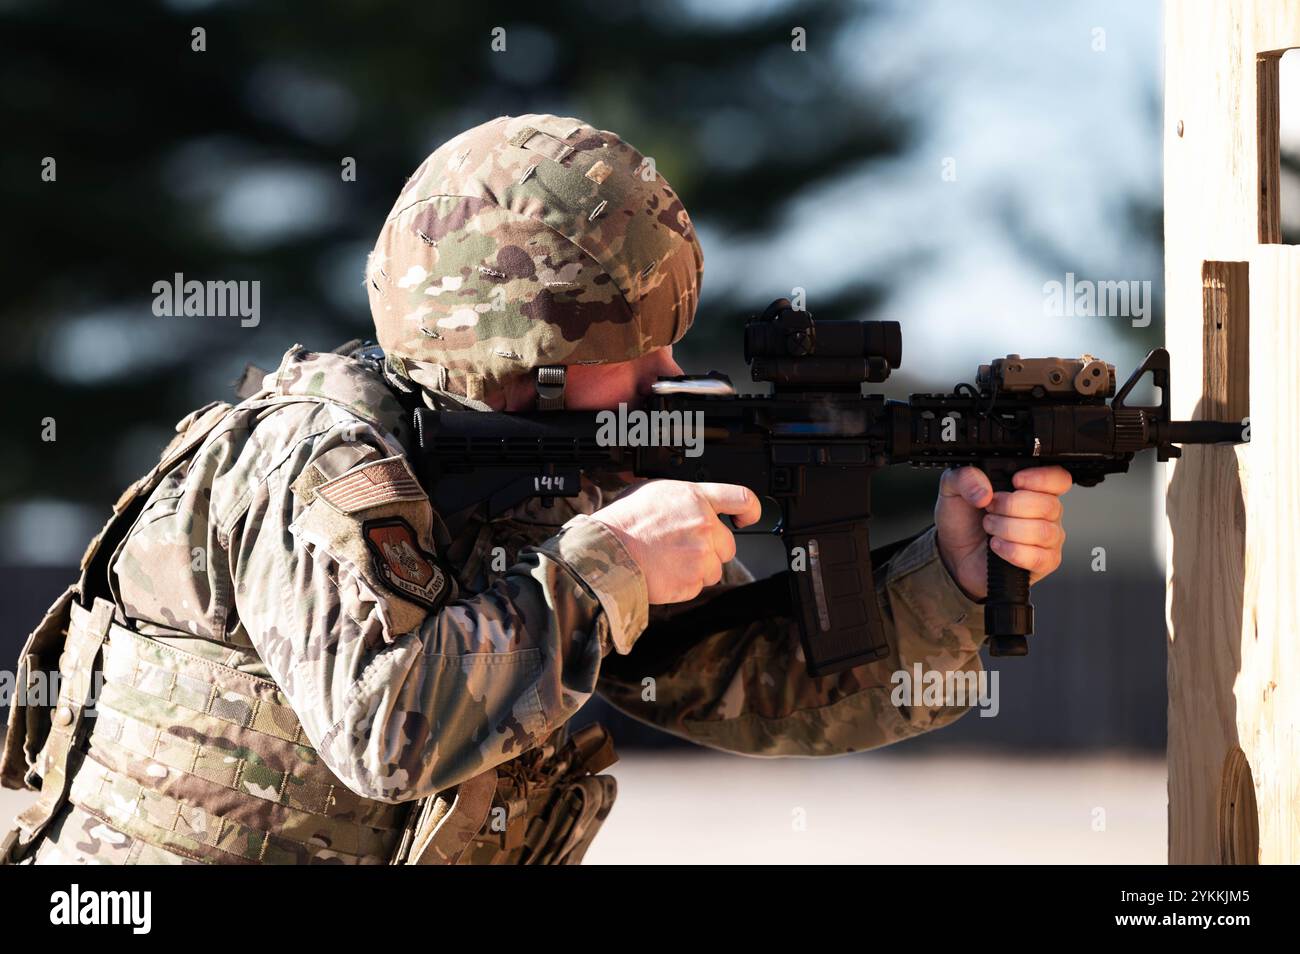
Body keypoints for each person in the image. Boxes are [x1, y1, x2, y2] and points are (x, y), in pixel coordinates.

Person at [1, 114, 1069, 865]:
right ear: (531, 348)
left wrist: (949, 583)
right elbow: (388, 732)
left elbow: (748, 692)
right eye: (637, 342)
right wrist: (609, 565)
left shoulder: (544, 470)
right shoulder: (313, 463)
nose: (667, 376)